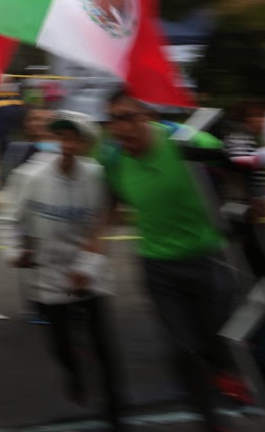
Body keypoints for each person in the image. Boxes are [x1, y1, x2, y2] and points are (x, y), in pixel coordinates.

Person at [99, 87, 238, 432]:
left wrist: (255, 203)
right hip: (159, 267)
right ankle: (210, 420)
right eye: (111, 120)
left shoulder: (188, 144)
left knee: (218, 341)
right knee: (183, 350)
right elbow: (112, 202)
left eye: (126, 117)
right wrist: (93, 242)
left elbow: (236, 171)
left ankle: (229, 377)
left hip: (208, 258)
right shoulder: (115, 160)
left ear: (148, 116)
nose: (119, 128)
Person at [0, 110, 125, 429]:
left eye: (74, 138)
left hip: (89, 272)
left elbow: (103, 222)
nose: (67, 144)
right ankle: (75, 375)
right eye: (62, 136)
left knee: (103, 343)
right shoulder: (31, 176)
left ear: (87, 144)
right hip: (48, 274)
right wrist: (14, 251)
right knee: (61, 345)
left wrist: (87, 266)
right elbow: (6, 218)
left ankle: (116, 408)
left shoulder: (96, 176)